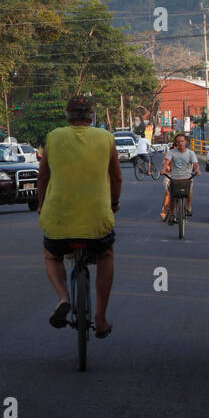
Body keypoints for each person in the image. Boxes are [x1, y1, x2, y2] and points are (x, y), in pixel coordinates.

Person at [37, 95, 122, 338]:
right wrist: (114, 203)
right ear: (92, 117)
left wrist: (41, 206)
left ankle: (63, 297)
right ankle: (100, 318)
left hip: (58, 220)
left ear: (67, 117)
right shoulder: (106, 138)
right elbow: (116, 177)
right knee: (105, 254)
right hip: (97, 221)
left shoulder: (53, 137)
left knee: (52, 255)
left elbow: (43, 177)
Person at [160, 132, 199, 221]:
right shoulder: (172, 152)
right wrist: (163, 170)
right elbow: (166, 162)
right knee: (172, 196)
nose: (180, 143)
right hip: (174, 178)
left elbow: (195, 164)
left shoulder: (190, 153)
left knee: (189, 191)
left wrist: (197, 170)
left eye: (182, 141)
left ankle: (188, 207)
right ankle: (172, 213)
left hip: (187, 178)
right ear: (176, 143)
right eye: (178, 142)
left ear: (185, 142)